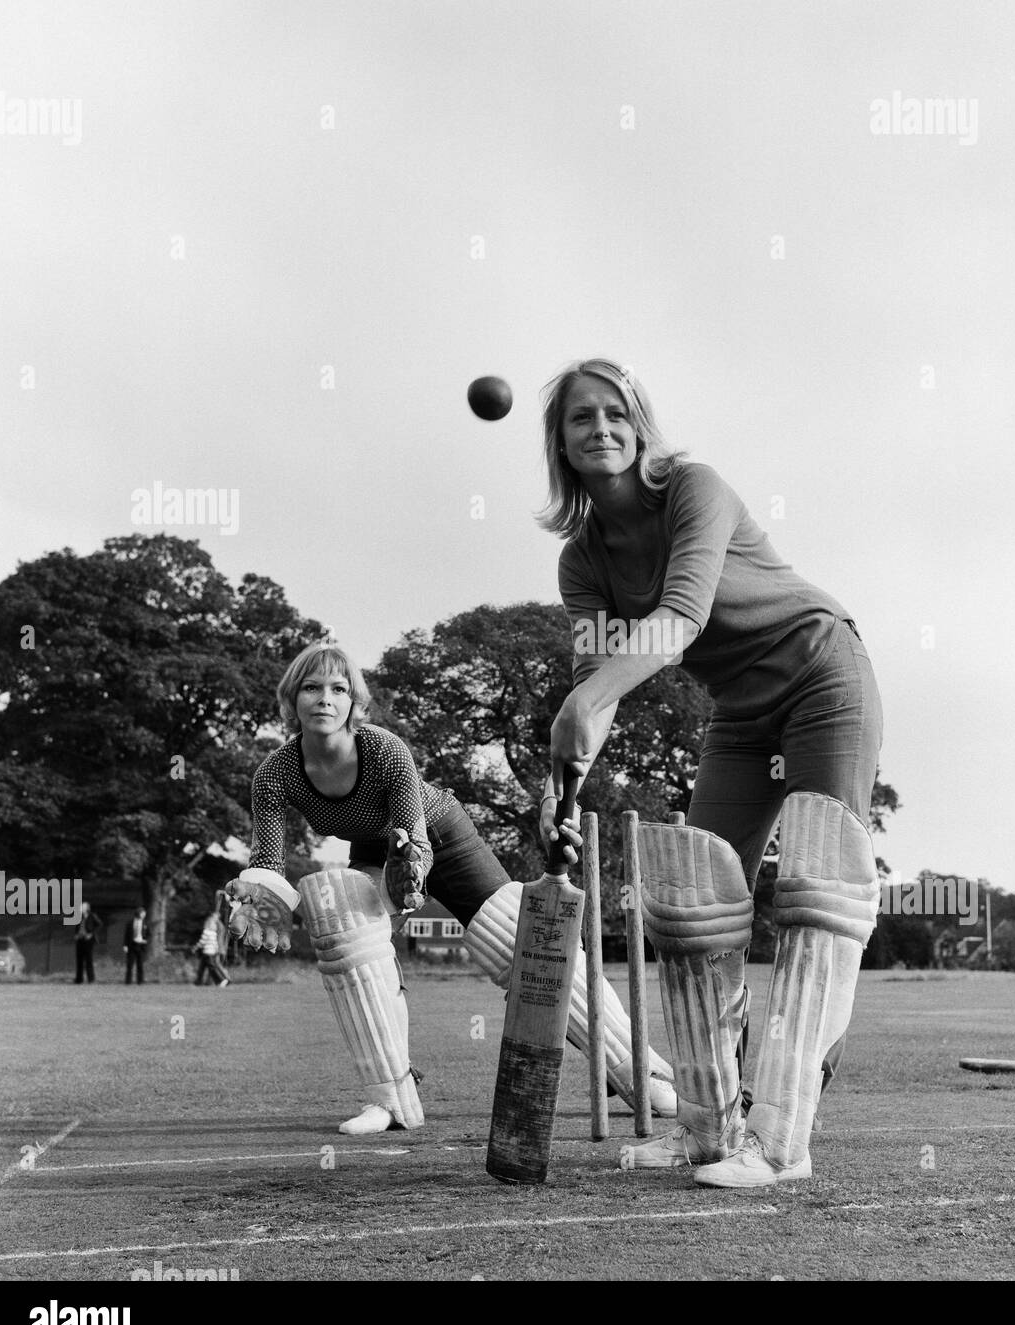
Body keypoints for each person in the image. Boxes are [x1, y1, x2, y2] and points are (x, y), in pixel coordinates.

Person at [538, 359, 884, 1188]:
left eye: (617, 413)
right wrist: (566, 780)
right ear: (561, 443)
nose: (602, 429)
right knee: (691, 903)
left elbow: (678, 621)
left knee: (816, 891)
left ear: (641, 423)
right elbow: (606, 683)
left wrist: (585, 700)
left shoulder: (695, 487)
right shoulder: (583, 563)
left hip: (820, 673)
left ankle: (784, 1138)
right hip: (739, 711)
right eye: (581, 418)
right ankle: (705, 1129)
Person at [223, 641, 676, 1137]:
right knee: (346, 934)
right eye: (312, 688)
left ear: (356, 701)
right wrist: (262, 890)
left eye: (338, 688)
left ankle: (638, 1071)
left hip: (435, 833)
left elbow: (411, 838)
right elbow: (268, 857)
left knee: (523, 942)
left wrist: (409, 874)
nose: (325, 699)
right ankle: (390, 1097)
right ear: (292, 699)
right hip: (376, 851)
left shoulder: (384, 749)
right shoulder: (275, 773)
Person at [194, 903, 230, 986]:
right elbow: (215, 943)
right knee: (203, 968)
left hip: (208, 952)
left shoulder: (207, 932)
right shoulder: (213, 933)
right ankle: (198, 982)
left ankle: (221, 980)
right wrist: (217, 949)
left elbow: (202, 942)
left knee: (212, 967)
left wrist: (196, 947)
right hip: (211, 952)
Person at [73, 902, 103, 984]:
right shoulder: (79, 917)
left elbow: (100, 925)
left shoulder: (92, 916)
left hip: (88, 940)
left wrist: (92, 933)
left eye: (82, 907)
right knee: (79, 960)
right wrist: (76, 935)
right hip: (80, 939)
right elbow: (77, 927)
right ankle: (79, 979)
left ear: (86, 908)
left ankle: (91, 979)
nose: (80, 908)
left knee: (88, 960)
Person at [124, 908, 149, 984]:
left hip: (140, 945)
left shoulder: (145, 923)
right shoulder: (130, 923)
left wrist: (145, 940)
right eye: (142, 913)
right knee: (130, 964)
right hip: (131, 945)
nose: (144, 915)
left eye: (144, 914)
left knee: (140, 964)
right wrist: (125, 945)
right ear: (138, 913)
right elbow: (126, 935)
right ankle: (128, 981)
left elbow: (149, 933)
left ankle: (140, 981)